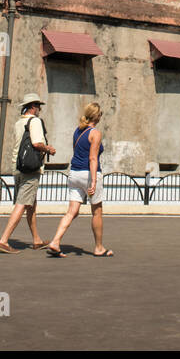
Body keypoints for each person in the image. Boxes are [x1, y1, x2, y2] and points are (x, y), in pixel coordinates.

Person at [46, 102, 113, 257]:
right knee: (97, 211)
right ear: (97, 116)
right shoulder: (95, 133)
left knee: (72, 211)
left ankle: (55, 241)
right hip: (88, 174)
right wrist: (94, 181)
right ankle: (99, 247)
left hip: (74, 174)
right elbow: (92, 158)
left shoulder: (78, 131)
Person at [0, 93, 55, 253]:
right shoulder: (34, 121)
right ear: (33, 107)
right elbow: (37, 143)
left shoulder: (19, 122)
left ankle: (37, 240)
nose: (40, 110)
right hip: (31, 168)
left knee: (31, 206)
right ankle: (4, 240)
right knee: (22, 204)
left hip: (18, 166)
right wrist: (48, 149)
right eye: (38, 107)